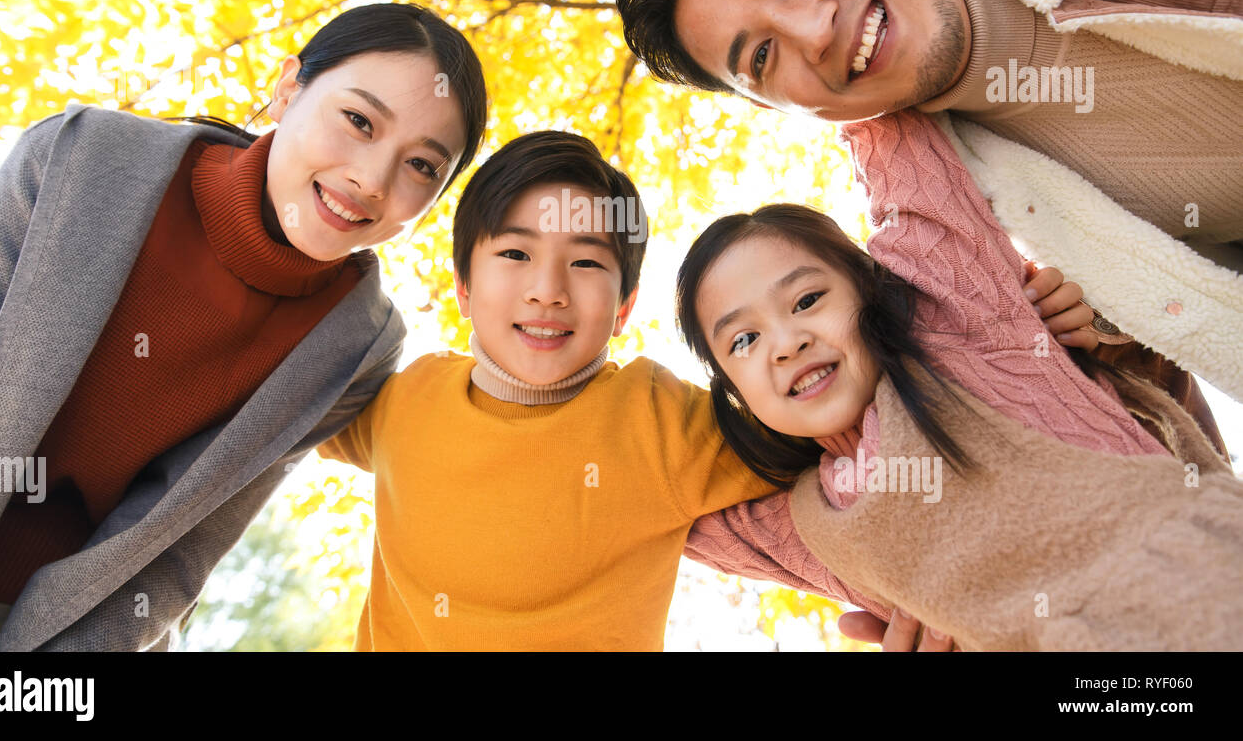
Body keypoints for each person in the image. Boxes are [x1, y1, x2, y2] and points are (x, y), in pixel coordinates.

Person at [317, 129, 1097, 650]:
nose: (548, 289)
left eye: (587, 263)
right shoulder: (405, 399)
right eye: (515, 255)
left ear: (624, 308)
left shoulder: (663, 422)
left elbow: (833, 416)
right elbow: (273, 397)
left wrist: (1017, 335)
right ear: (461, 285)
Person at [615, 0, 1243, 406]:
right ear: (773, 109)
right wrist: (1119, 342)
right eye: (761, 56)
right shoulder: (977, 246)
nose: (813, 32)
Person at [0, 3, 488, 651]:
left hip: (70, 633)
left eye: (422, 166)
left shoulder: (355, 344)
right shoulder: (79, 158)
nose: (370, 180)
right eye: (359, 121)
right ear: (288, 89)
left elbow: (182, 550)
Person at [678, 109, 1243, 650]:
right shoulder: (809, 523)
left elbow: (887, 125)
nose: (786, 342)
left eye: (807, 299)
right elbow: (639, 500)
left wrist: (785, 62)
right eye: (743, 341)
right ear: (735, 395)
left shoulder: (954, 324)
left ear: (873, 291)